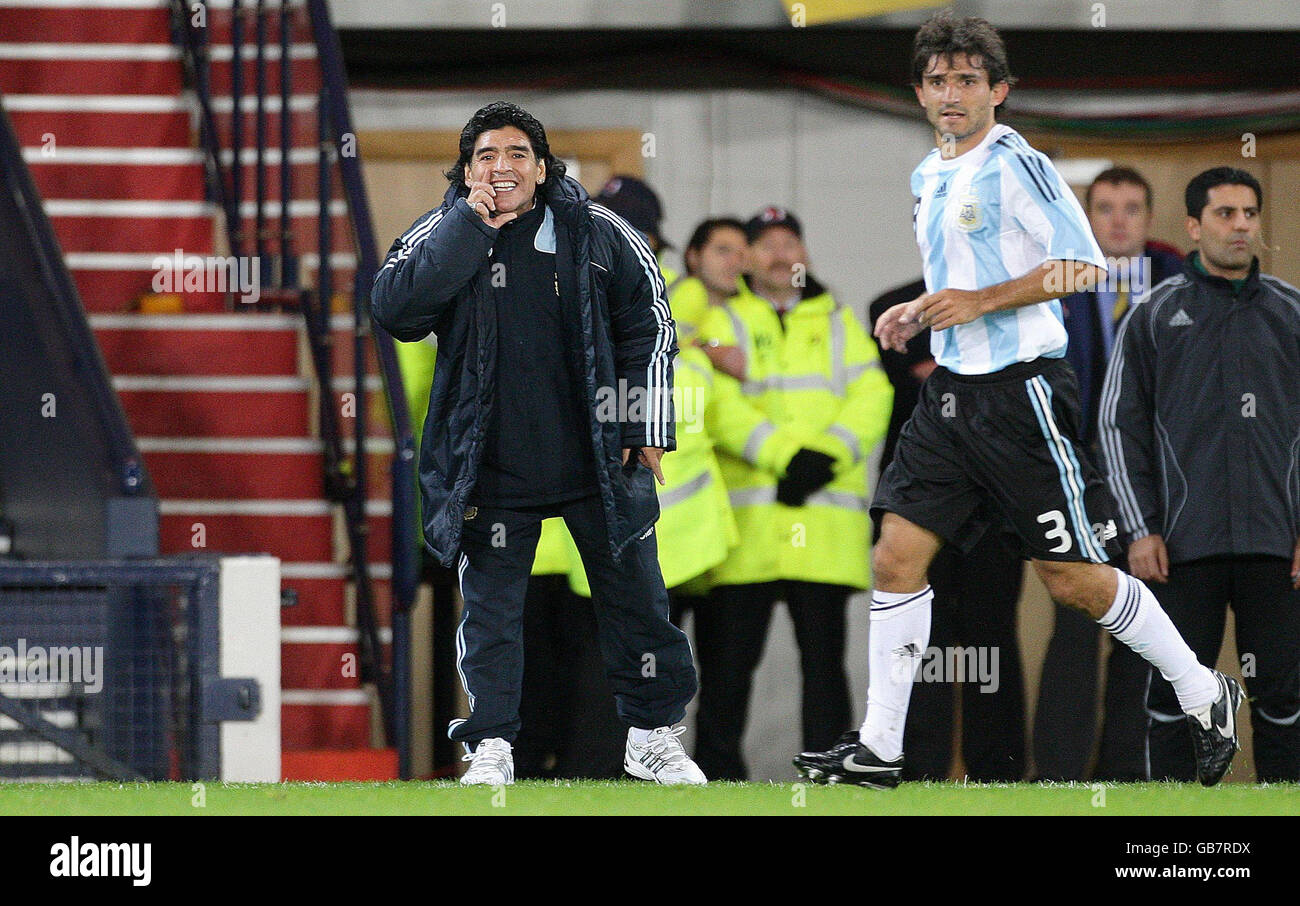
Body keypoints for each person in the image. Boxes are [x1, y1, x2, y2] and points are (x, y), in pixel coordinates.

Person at [794, 12, 1242, 789]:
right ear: (920, 92)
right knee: (896, 556)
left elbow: (1085, 266)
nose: (951, 92)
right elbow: (965, 276)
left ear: (997, 90)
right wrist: (924, 308)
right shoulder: (930, 172)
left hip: (1023, 395)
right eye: (937, 80)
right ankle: (880, 747)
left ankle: (1205, 694)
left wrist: (982, 301)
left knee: (1069, 580)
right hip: (952, 400)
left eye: (968, 79)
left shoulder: (1014, 162)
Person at [371, 101, 704, 785]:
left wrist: (645, 428)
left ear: (543, 168)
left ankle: (650, 734)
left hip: (597, 457)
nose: (503, 167)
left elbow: (652, 326)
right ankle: (489, 744)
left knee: (637, 601)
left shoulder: (600, 229)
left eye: (519, 154)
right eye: (487, 155)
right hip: (489, 463)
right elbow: (396, 309)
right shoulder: (443, 228)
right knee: (492, 614)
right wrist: (469, 225)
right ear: (466, 171)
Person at [1099, 167, 1300, 782]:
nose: (1241, 226)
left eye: (1249, 214)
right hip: (1180, 549)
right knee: (1173, 701)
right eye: (1225, 214)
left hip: (1277, 547)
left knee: (1284, 703)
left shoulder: (1293, 313)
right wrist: (1139, 529)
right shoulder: (1154, 314)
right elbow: (1116, 426)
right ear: (1193, 226)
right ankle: (1174, 832)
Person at [696, 206, 893, 780]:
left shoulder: (841, 323)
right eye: (767, 245)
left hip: (823, 532)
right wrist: (784, 455)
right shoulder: (722, 321)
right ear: (749, 258)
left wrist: (826, 456)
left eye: (791, 242)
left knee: (825, 668)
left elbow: (873, 395)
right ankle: (718, 780)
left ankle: (831, 778)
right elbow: (714, 401)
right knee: (728, 668)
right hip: (748, 536)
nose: (782, 255)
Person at [1034, 167, 1184, 782]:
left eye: (1131, 208)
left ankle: (1128, 776)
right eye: (1104, 208)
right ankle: (1060, 778)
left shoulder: (1178, 291)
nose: (1118, 220)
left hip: (1156, 489)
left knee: (1145, 634)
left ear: (1149, 220)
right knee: (1075, 627)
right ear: (1087, 219)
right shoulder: (1056, 286)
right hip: (1079, 481)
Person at [869, 279, 1027, 782]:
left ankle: (998, 775)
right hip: (921, 492)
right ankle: (916, 769)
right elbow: (918, 375)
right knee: (918, 637)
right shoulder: (893, 305)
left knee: (993, 636)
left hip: (995, 494)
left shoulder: (1008, 298)